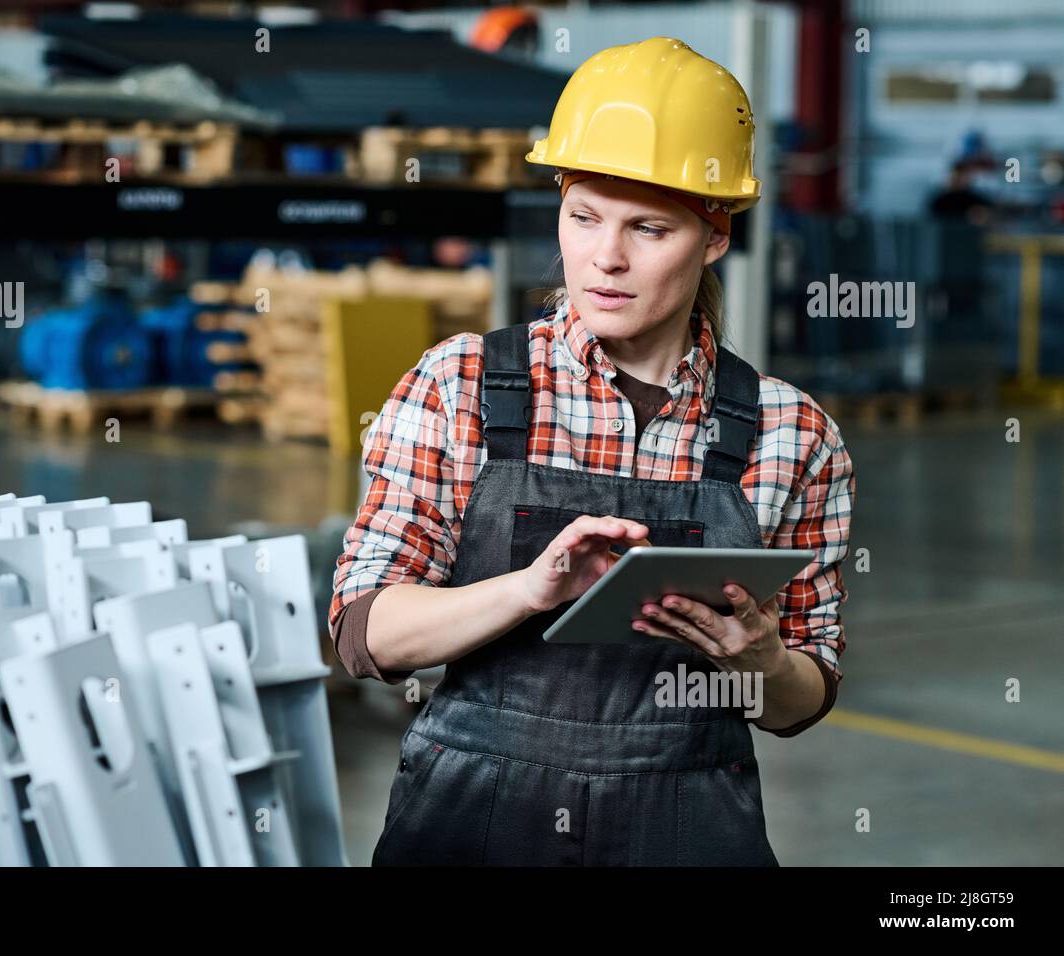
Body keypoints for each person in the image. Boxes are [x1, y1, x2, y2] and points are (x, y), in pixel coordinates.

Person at [329, 37, 855, 866]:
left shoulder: (791, 436)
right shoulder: (463, 384)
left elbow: (801, 697)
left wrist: (762, 662)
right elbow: (367, 635)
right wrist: (531, 589)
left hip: (688, 825)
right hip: (474, 823)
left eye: (648, 228)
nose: (606, 258)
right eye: (584, 218)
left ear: (714, 236)